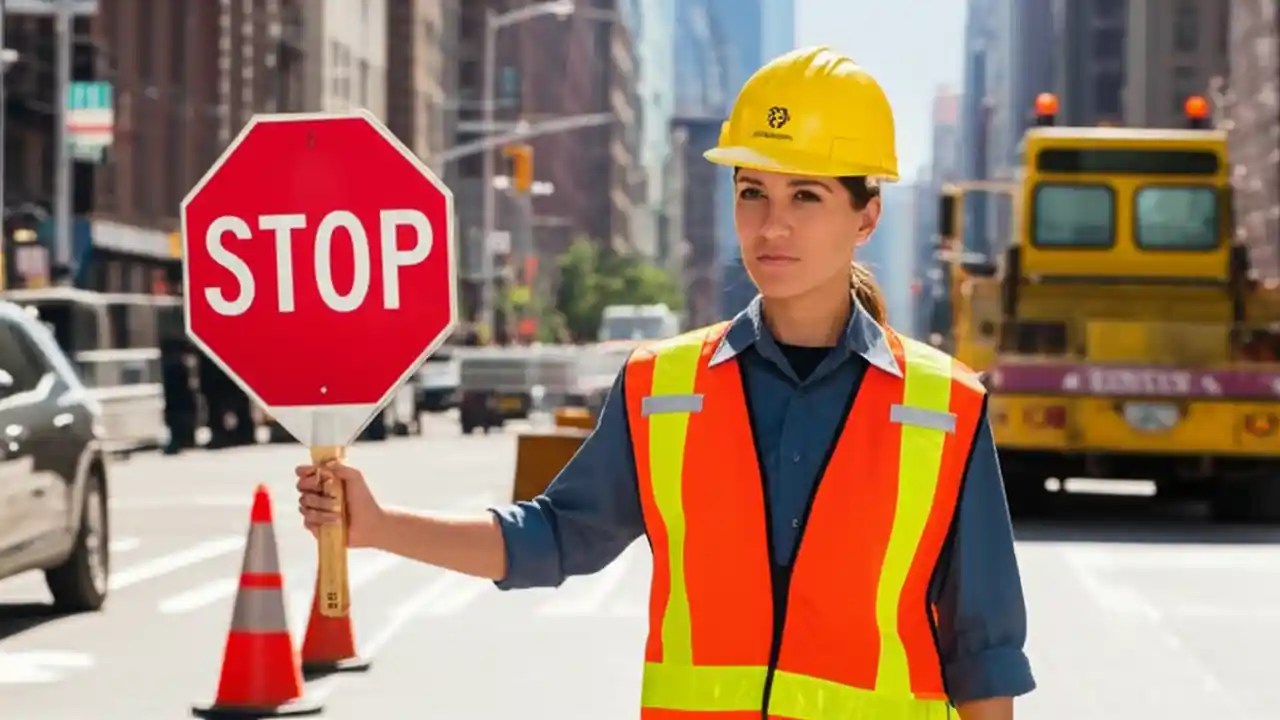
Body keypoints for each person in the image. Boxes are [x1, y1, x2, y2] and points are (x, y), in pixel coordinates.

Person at [297, 45, 1035, 719]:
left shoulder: (944, 405)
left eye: (805, 196)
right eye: (752, 192)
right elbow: (556, 538)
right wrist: (381, 525)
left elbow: (983, 651)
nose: (771, 224)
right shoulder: (662, 386)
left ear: (866, 215)